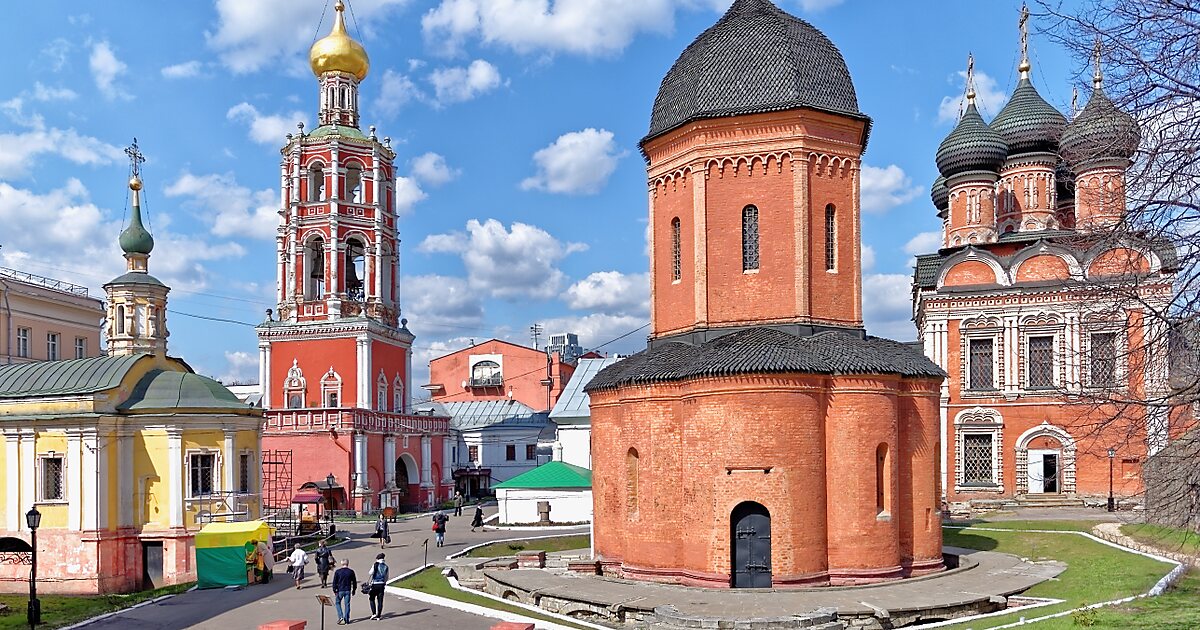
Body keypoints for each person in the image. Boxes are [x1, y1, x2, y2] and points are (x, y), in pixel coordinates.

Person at [331, 559, 356, 625]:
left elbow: (334, 582)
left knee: (337, 603)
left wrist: (334, 590)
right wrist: (354, 590)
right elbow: (354, 582)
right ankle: (347, 619)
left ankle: (341, 617)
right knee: (347, 604)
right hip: (348, 590)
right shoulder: (351, 572)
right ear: (348, 563)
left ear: (341, 563)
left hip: (340, 590)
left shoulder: (338, 572)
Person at [367, 552, 389, 620]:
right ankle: (379, 615)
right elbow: (386, 576)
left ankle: (374, 613)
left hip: (374, 584)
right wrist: (384, 582)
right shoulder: (386, 566)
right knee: (380, 600)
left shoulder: (375, 564)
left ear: (378, 558)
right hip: (381, 584)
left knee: (371, 598)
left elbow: (370, 573)